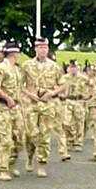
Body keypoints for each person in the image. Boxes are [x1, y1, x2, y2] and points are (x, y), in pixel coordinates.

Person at [23, 37, 63, 175]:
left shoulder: (54, 66)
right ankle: (29, 157)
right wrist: (29, 94)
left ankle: (41, 163)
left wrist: (52, 93)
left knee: (45, 135)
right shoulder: (27, 65)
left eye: (45, 47)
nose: (43, 50)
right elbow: (20, 85)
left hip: (47, 104)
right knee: (31, 133)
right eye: (40, 47)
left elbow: (63, 84)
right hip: (31, 104)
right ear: (35, 49)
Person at [0, 41, 25, 180]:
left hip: (15, 107)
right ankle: (2, 168)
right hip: (2, 107)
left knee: (19, 138)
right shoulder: (1, 68)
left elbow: (18, 89)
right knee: (6, 139)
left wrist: (20, 104)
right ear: (14, 53)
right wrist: (7, 98)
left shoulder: (16, 69)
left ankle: (11, 163)